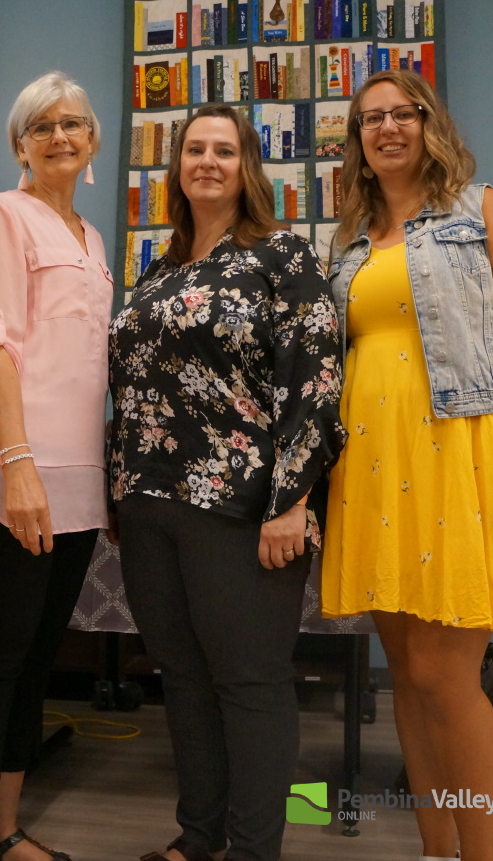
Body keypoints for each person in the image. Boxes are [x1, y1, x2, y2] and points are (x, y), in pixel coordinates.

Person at [108, 104, 346, 861]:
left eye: (223, 149)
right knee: (181, 678)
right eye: (192, 150)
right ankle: (196, 837)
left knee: (249, 683)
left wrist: (291, 502)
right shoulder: (158, 266)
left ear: (248, 166)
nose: (206, 161)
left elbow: (314, 381)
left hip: (242, 508)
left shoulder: (283, 256)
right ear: (174, 167)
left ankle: (252, 850)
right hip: (147, 503)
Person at [322, 69, 493, 861]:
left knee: (447, 676)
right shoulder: (346, 242)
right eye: (370, 120)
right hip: (369, 464)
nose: (387, 128)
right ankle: (435, 850)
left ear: (427, 123)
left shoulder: (479, 209)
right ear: (357, 142)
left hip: (458, 453)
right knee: (404, 671)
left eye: (401, 113)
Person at [0, 72, 112, 861]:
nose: (59, 137)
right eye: (40, 127)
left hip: (79, 481)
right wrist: (17, 464)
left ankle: (6, 830)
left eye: (72, 124)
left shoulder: (92, 236)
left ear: (93, 140)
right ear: (19, 144)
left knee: (38, 661)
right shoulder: (3, 214)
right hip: (19, 473)